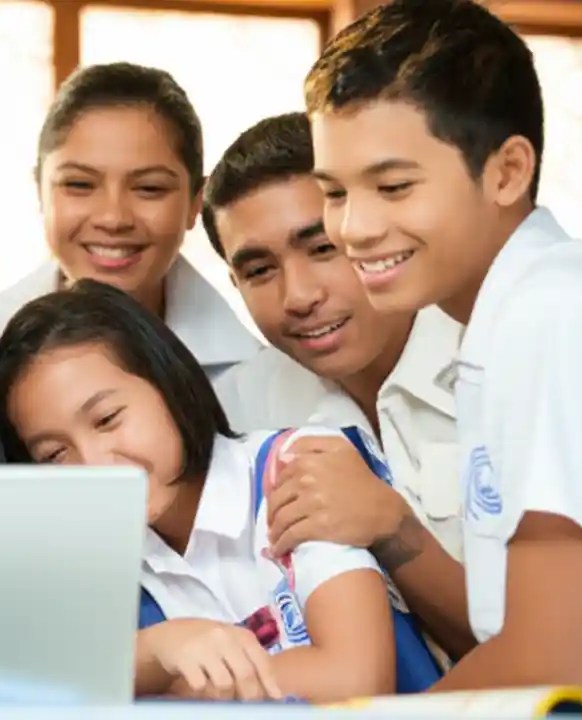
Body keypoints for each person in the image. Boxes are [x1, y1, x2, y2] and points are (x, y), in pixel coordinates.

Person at [306, 0, 582, 703]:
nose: (354, 228)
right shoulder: (517, 313)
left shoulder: (553, 311)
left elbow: (550, 660)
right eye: (334, 193)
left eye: (394, 187)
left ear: (507, 171)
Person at [0, 279, 414, 703]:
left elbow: (353, 679)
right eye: (53, 455)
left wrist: (168, 691)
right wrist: (159, 649)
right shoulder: (96, 560)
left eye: (107, 419)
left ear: (168, 381)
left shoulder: (294, 467)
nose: (95, 465)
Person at [205, 112, 472, 661]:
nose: (298, 295)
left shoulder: (503, 365)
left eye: (323, 248)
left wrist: (393, 529)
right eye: (259, 270)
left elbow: (560, 644)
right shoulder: (242, 410)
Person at [0, 62, 259, 381]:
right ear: (40, 192)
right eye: (79, 185)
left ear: (194, 203)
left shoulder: (256, 377)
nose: (113, 218)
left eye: (150, 188)